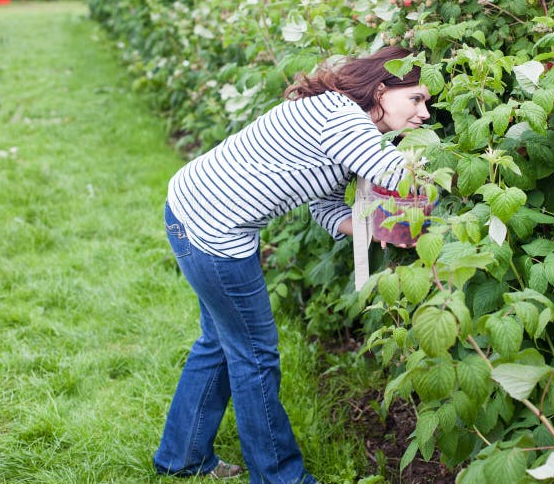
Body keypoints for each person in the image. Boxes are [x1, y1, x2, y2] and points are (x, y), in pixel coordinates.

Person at [153, 46, 431, 483]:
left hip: (192, 211)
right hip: (214, 231)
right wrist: (456, 189)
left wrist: (375, 230)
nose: (425, 114)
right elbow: (400, 175)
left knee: (221, 343)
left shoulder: (343, 123)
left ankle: (181, 457)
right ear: (381, 90)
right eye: (416, 99)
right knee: (256, 356)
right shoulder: (344, 119)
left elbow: (322, 205)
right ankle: (281, 478)